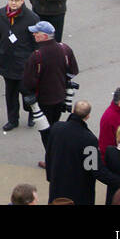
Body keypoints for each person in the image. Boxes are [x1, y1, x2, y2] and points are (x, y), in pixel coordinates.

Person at [45, 100, 116, 204]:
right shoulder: (89, 139)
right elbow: (95, 170)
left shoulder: (56, 128)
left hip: (58, 185)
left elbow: (49, 154)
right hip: (79, 191)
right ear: (87, 116)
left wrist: (50, 176)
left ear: (73, 111)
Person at [21, 21, 78, 151]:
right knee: (54, 126)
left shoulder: (36, 56)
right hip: (60, 97)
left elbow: (28, 82)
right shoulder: (65, 49)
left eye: (37, 33)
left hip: (44, 100)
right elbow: (73, 71)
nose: (34, 34)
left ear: (45, 36)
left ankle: (52, 157)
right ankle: (55, 154)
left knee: (45, 131)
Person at [0, 0, 38, 131]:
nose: (13, 3)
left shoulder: (31, 18)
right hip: (7, 62)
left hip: (24, 64)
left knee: (27, 91)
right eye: (11, 0)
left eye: (16, 0)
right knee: (10, 94)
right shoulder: (1, 14)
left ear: (22, 0)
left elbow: (36, 43)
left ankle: (32, 113)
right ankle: (12, 120)